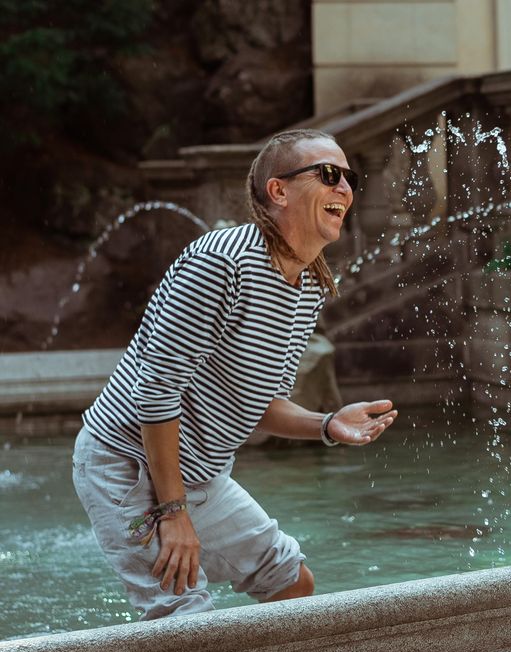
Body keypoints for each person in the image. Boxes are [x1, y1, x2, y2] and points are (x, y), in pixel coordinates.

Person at [72, 128, 398, 620]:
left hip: (201, 476)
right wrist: (172, 513)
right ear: (279, 190)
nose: (344, 188)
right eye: (329, 174)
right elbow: (156, 392)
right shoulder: (221, 263)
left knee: (292, 582)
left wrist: (327, 424)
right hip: (130, 467)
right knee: (186, 624)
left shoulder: (306, 284)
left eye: (349, 178)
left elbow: (259, 401)